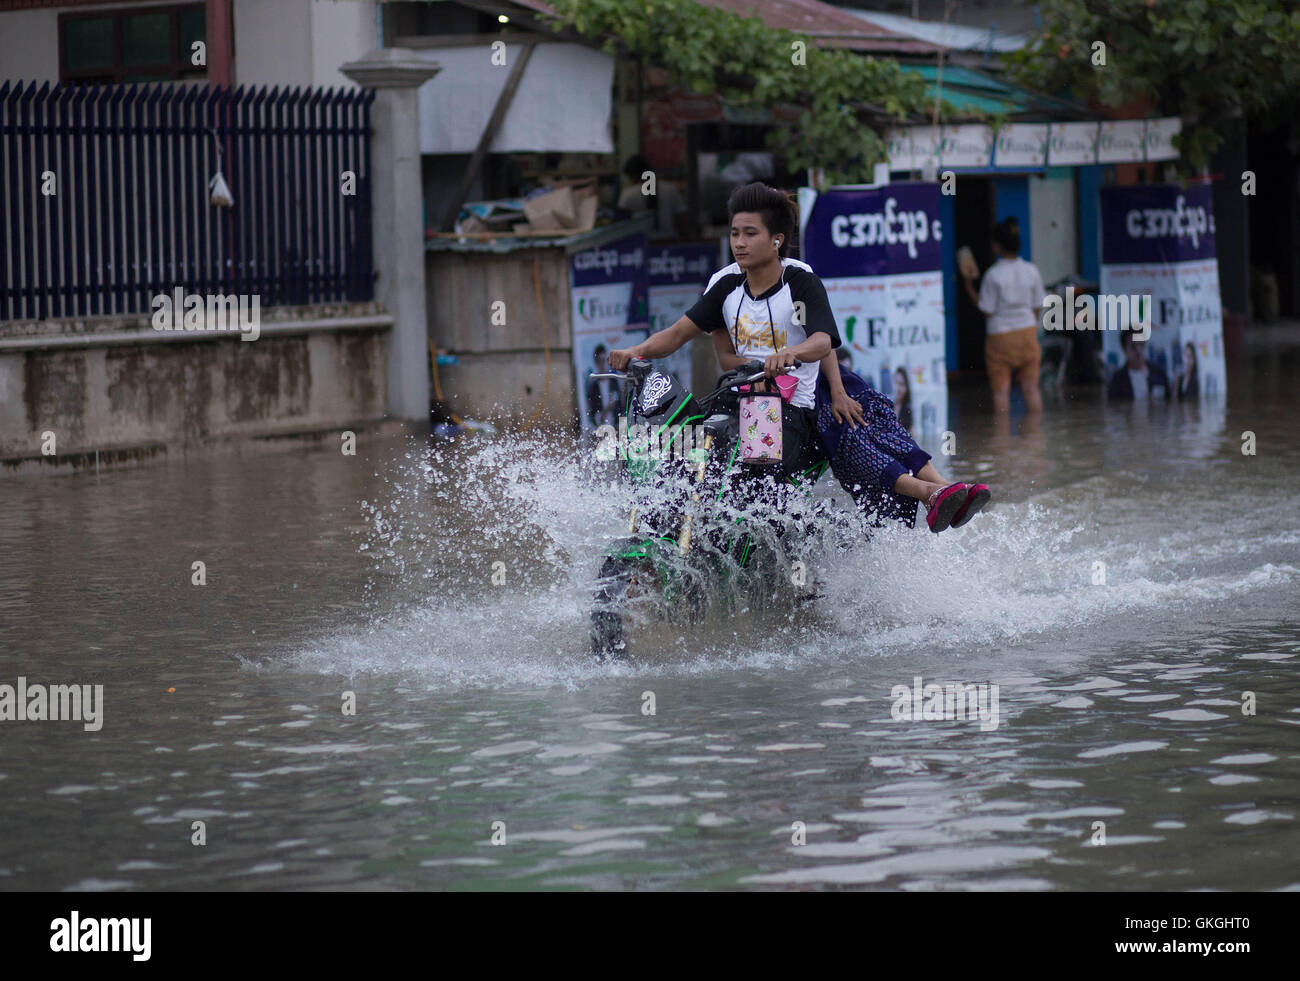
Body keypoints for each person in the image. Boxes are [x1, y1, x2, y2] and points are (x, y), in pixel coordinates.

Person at [609, 182, 837, 483]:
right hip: (733, 399)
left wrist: (789, 354)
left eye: (750, 233)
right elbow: (677, 334)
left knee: (742, 476)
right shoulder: (727, 285)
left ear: (776, 241)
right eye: (735, 233)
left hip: (786, 409)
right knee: (679, 449)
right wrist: (633, 351)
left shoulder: (800, 282)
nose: (739, 243)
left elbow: (823, 341)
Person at [815, 351, 990, 533]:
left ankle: (931, 493)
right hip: (841, 384)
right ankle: (947, 488)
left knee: (856, 440)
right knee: (881, 431)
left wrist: (835, 391)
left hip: (823, 386)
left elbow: (823, 341)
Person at [962, 219, 1045, 414]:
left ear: (997, 245)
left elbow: (987, 310)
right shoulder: (1031, 270)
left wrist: (968, 287)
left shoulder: (993, 275)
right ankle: (1036, 439)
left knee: (1001, 394)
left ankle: (1001, 441)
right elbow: (1037, 306)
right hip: (1027, 334)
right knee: (1031, 390)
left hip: (1000, 338)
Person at [618, 154, 687, 241]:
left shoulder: (627, 195)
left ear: (633, 176)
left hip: (641, 244)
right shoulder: (670, 189)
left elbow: (621, 225)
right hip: (669, 241)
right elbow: (681, 219)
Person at [1107, 330, 1171, 400]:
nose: (1138, 350)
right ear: (1124, 349)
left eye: (1141, 344)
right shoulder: (1117, 380)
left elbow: (1169, 400)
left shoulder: (1159, 373)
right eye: (1133, 346)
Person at [586, 345, 618, 428]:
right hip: (601, 427)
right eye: (599, 361)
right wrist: (603, 414)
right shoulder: (593, 386)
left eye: (604, 361)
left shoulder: (613, 380)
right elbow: (593, 410)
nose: (602, 364)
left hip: (616, 424)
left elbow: (617, 401)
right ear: (596, 363)